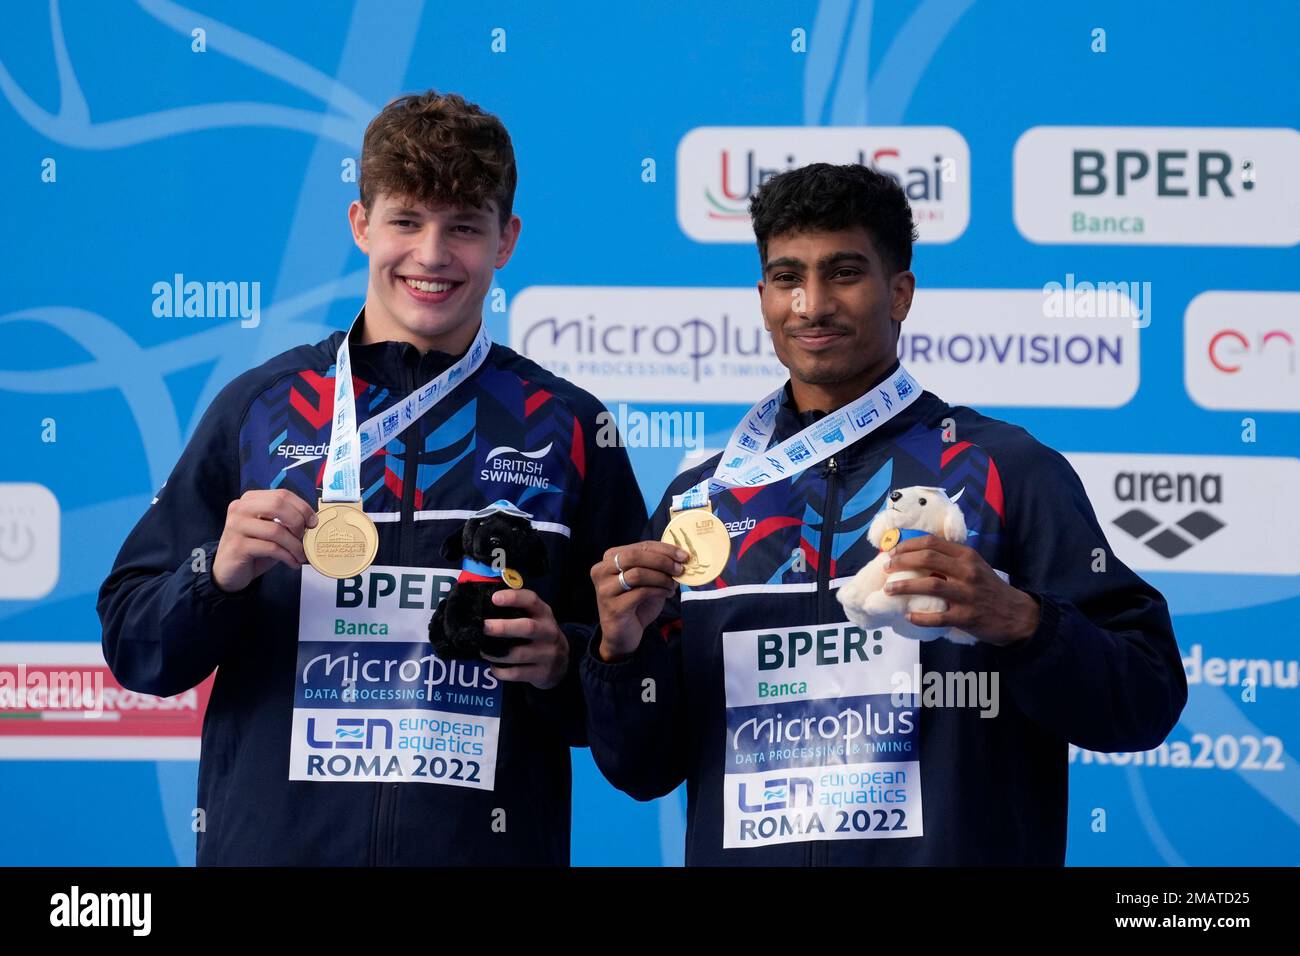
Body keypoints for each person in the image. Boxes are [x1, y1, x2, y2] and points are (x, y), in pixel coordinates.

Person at [581, 162, 1187, 865]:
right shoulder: (700, 501)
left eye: (843, 273)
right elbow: (641, 769)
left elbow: (1144, 700)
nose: (811, 305)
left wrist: (1023, 622)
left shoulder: (1006, 471)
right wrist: (620, 656)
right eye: (787, 278)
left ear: (900, 293)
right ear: (762, 296)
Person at [98, 90, 646, 865]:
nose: (431, 254)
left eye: (463, 226)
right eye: (406, 221)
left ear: (506, 240)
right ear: (360, 224)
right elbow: (134, 645)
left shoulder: (568, 428)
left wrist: (565, 662)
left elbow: (641, 713)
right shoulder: (261, 409)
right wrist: (213, 577)